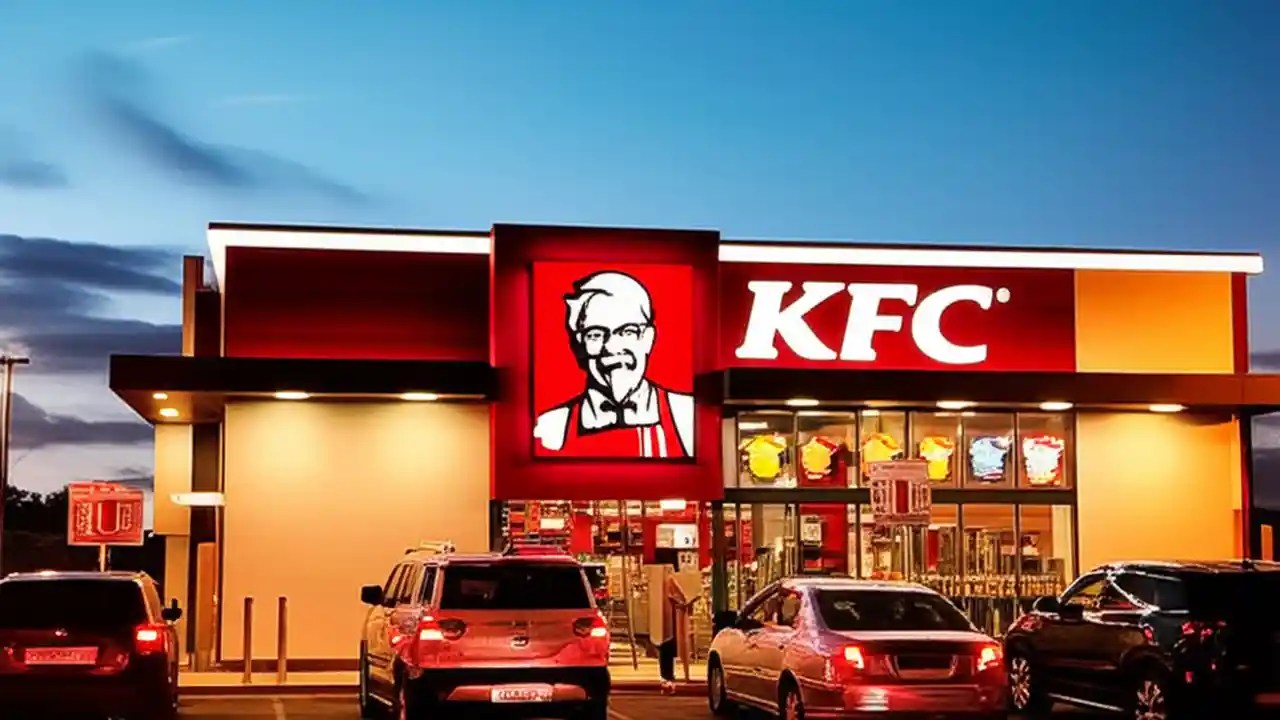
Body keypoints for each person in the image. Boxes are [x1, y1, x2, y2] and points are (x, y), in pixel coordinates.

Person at [534, 271, 694, 458]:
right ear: (579, 345)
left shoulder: (686, 414)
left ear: (648, 339)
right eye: (595, 334)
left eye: (627, 331)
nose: (611, 348)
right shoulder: (551, 426)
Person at [658, 570, 694, 693]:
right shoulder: (681, 582)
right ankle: (668, 677)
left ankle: (668, 677)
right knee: (667, 647)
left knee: (666, 647)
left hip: (679, 627)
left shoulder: (674, 582)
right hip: (679, 627)